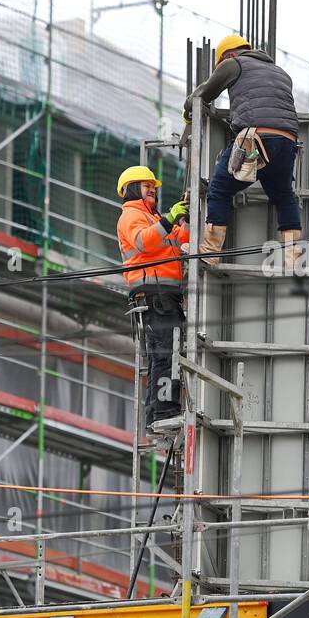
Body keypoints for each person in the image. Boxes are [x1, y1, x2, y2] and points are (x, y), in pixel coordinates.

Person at [183, 34, 302, 270]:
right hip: (288, 141)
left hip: (256, 138)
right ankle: (293, 259)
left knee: (219, 188)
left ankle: (210, 252)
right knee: (284, 197)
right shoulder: (281, 73)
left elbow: (204, 94)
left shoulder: (233, 63)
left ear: (229, 55)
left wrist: (188, 108)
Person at [116, 164, 189, 429]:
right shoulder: (131, 216)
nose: (152, 191)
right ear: (132, 189)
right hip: (153, 295)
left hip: (162, 295)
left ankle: (156, 416)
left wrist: (184, 221)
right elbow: (143, 242)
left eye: (153, 187)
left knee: (164, 354)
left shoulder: (152, 217)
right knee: (166, 354)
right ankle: (164, 412)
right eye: (147, 186)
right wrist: (169, 219)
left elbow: (180, 241)